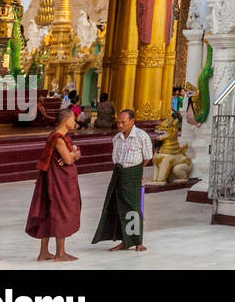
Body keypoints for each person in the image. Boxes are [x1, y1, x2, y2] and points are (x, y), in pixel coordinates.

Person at [91, 109, 153, 252]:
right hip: (118, 174)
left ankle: (137, 241)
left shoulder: (141, 136)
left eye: (123, 122)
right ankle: (124, 241)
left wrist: (138, 170)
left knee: (133, 208)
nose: (119, 125)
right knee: (118, 207)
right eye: (118, 122)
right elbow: (115, 157)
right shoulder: (117, 138)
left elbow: (148, 157)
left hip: (133, 173)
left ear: (132, 121)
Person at [25, 110, 81, 261]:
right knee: (60, 212)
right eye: (73, 118)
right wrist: (73, 155)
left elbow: (74, 154)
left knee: (49, 213)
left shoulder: (62, 137)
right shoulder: (58, 139)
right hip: (59, 182)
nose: (74, 121)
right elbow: (69, 159)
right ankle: (60, 253)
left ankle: (44, 253)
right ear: (65, 121)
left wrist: (74, 154)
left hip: (58, 180)